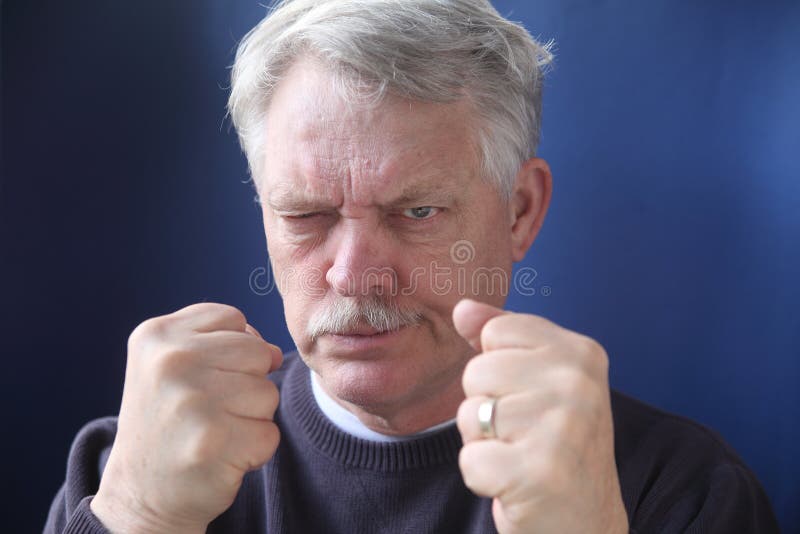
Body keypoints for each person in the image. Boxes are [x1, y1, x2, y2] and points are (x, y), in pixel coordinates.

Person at [45, 1, 779, 532]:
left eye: (417, 212)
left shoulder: (682, 493)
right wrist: (135, 517)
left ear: (519, 211)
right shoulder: (130, 466)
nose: (356, 276)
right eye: (305, 215)